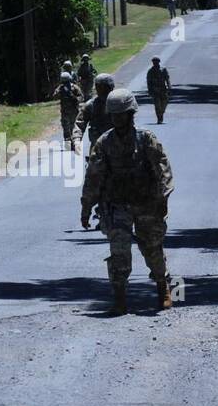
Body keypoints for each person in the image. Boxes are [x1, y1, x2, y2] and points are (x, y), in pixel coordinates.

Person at [80, 88, 175, 315]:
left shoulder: (146, 139)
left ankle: (164, 287)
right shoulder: (104, 142)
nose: (118, 119)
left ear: (131, 114)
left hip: (146, 203)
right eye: (114, 115)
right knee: (119, 251)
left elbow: (163, 170)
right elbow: (94, 176)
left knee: (152, 248)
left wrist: (163, 198)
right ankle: (120, 298)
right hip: (117, 204)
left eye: (122, 114)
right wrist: (86, 206)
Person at [73, 73, 115, 150]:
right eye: (99, 87)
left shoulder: (117, 102)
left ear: (111, 87)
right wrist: (77, 140)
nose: (102, 90)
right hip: (97, 146)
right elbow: (79, 123)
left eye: (105, 87)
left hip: (117, 146)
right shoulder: (90, 105)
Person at [50, 72, 85, 150]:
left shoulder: (74, 87)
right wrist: (60, 91)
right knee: (66, 128)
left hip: (74, 111)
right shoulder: (60, 88)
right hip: (65, 112)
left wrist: (74, 98)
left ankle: (75, 143)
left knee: (74, 128)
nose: (65, 83)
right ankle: (68, 144)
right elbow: (54, 97)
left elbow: (81, 97)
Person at [146, 56, 171, 124]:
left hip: (163, 90)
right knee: (157, 105)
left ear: (159, 62)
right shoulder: (150, 71)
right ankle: (159, 118)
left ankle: (161, 113)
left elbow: (167, 79)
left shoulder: (163, 69)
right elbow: (149, 82)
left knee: (164, 104)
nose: (155, 63)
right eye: (154, 62)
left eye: (156, 61)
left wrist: (169, 87)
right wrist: (149, 90)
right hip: (155, 91)